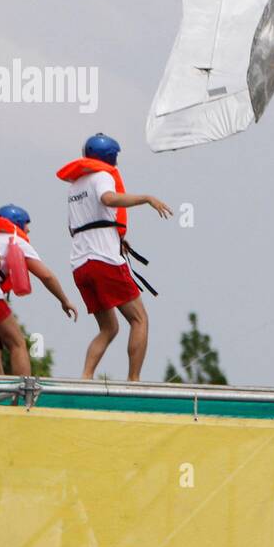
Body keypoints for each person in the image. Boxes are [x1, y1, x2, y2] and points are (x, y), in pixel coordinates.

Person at [56, 134, 171, 381]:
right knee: (139, 319)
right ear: (111, 156)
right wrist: (147, 198)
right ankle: (134, 382)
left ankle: (85, 378)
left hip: (80, 265)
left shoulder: (74, 186)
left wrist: (116, 238)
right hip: (104, 262)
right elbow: (109, 199)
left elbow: (77, 226)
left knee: (108, 328)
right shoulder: (103, 176)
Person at [0, 205, 79, 375]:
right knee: (17, 343)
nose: (28, 229)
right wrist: (64, 300)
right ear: (17, 224)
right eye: (26, 224)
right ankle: (24, 396)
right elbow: (46, 276)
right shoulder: (14, 239)